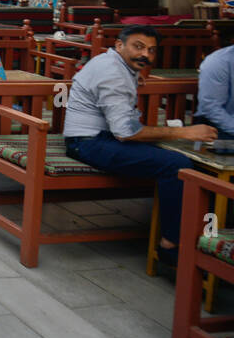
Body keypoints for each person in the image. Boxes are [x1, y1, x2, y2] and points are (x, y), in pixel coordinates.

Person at [62, 25, 216, 266]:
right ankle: (171, 245)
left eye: (152, 50)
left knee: (194, 165)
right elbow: (126, 131)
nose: (146, 55)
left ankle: (208, 236)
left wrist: (135, 77)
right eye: (139, 46)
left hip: (100, 137)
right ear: (119, 45)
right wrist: (185, 131)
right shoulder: (113, 72)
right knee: (178, 166)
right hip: (88, 142)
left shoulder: (114, 63)